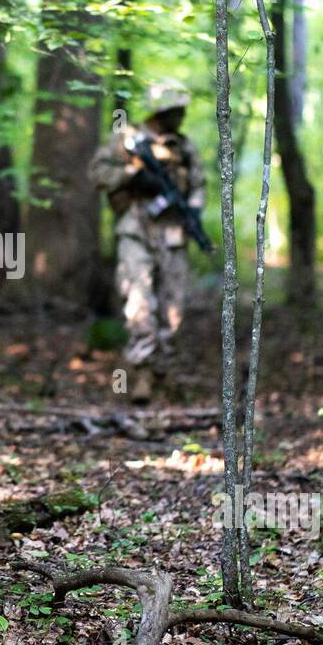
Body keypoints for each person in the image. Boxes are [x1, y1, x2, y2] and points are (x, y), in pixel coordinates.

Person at [88, 81, 207, 404]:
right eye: (175, 111)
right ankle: (140, 372)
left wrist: (192, 211)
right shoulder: (126, 139)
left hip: (172, 233)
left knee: (173, 309)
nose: (181, 117)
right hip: (135, 231)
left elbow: (198, 185)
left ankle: (163, 374)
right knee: (138, 304)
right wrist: (132, 174)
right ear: (161, 111)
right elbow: (97, 173)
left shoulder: (184, 147)